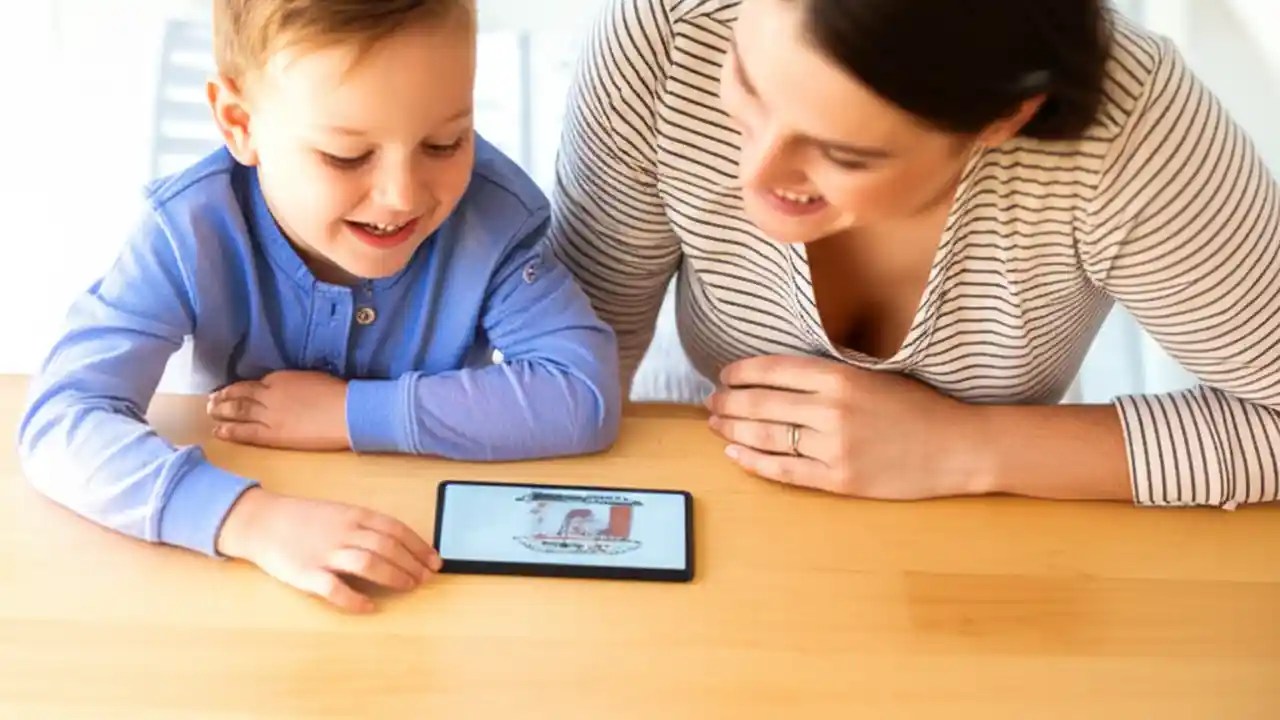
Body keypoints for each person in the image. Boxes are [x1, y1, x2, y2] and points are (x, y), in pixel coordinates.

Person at [549, 0, 1280, 508]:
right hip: (702, 464)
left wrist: (964, 448)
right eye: (746, 85)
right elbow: (568, 367)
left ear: (1003, 120)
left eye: (844, 153)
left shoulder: (1131, 134)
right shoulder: (668, 35)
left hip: (997, 533)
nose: (756, 175)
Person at [17, 0, 620, 613]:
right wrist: (249, 519)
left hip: (430, 582)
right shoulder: (188, 230)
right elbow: (61, 421)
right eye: (346, 156)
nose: (402, 196)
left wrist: (347, 412)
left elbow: (583, 392)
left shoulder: (491, 223)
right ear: (240, 124)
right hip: (230, 592)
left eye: (444, 143)